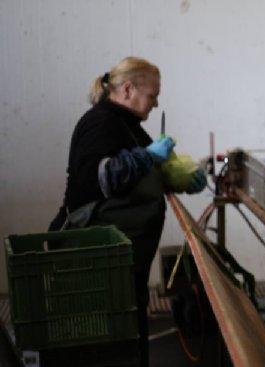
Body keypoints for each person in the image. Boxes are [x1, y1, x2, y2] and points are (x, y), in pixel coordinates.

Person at [49, 57, 207, 365]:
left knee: (126, 330)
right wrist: (148, 156)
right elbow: (107, 177)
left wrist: (184, 178)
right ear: (128, 89)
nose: (156, 102)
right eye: (152, 94)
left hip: (121, 254)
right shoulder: (100, 123)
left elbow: (145, 175)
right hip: (95, 251)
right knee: (106, 338)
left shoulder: (127, 125)